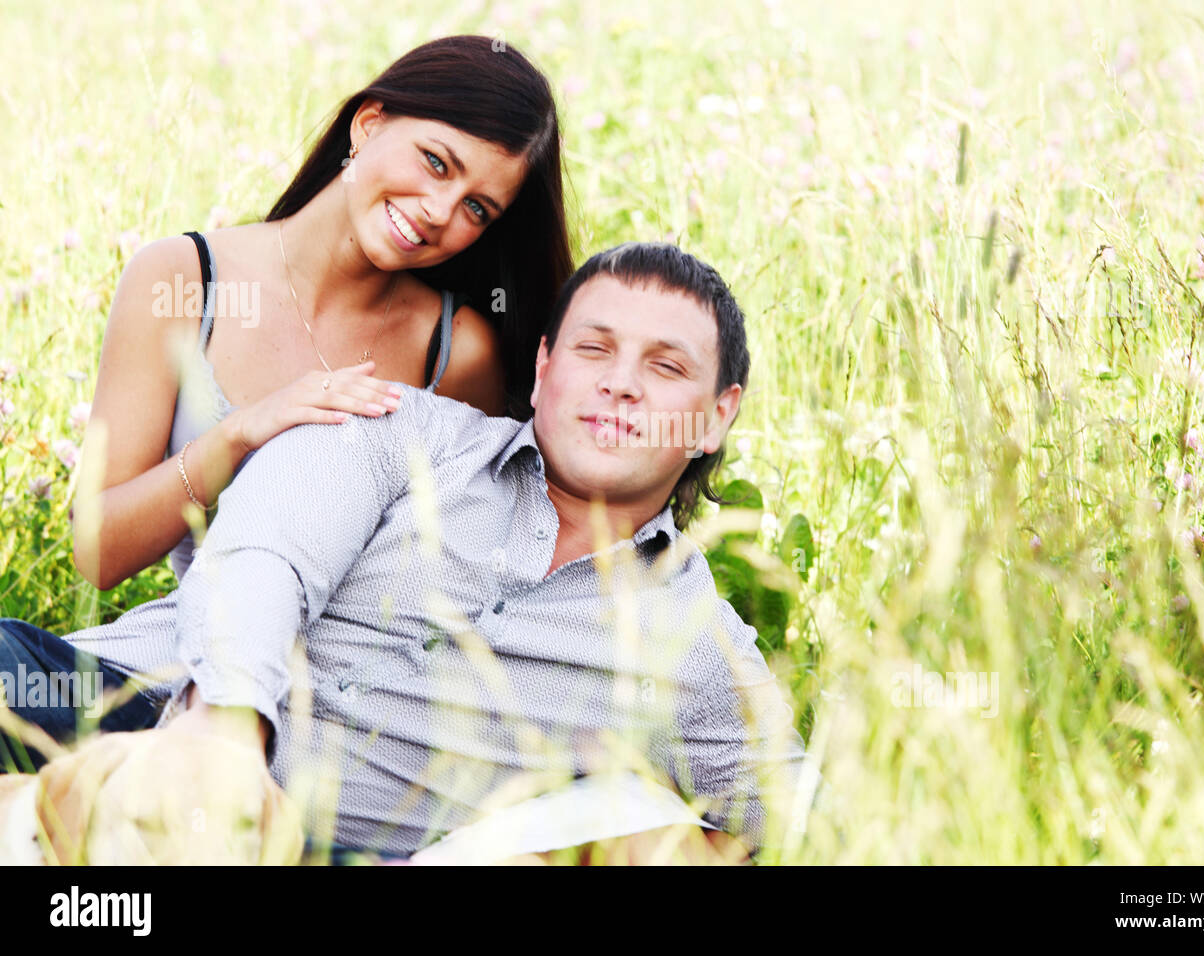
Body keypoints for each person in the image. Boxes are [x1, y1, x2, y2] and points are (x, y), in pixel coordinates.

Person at [4, 243, 818, 864]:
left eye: (666, 367)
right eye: (594, 350)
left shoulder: (697, 644)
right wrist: (224, 740)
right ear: (542, 371)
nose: (621, 384)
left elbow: (801, 828)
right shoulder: (399, 430)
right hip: (135, 712)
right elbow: (263, 556)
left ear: (714, 419)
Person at [0, 35, 572, 756]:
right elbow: (97, 552)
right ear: (369, 124)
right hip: (171, 670)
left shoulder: (459, 355)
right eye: (435, 162)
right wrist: (238, 437)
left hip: (336, 723)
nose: (437, 210)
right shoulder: (182, 279)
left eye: (477, 209)